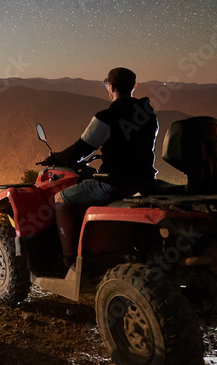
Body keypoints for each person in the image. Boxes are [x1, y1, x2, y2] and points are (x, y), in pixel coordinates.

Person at [45, 67, 158, 268]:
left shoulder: (106, 117)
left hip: (116, 183)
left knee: (60, 199)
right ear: (134, 86)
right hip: (145, 181)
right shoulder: (148, 115)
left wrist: (54, 158)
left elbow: (79, 150)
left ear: (111, 87)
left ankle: (68, 259)